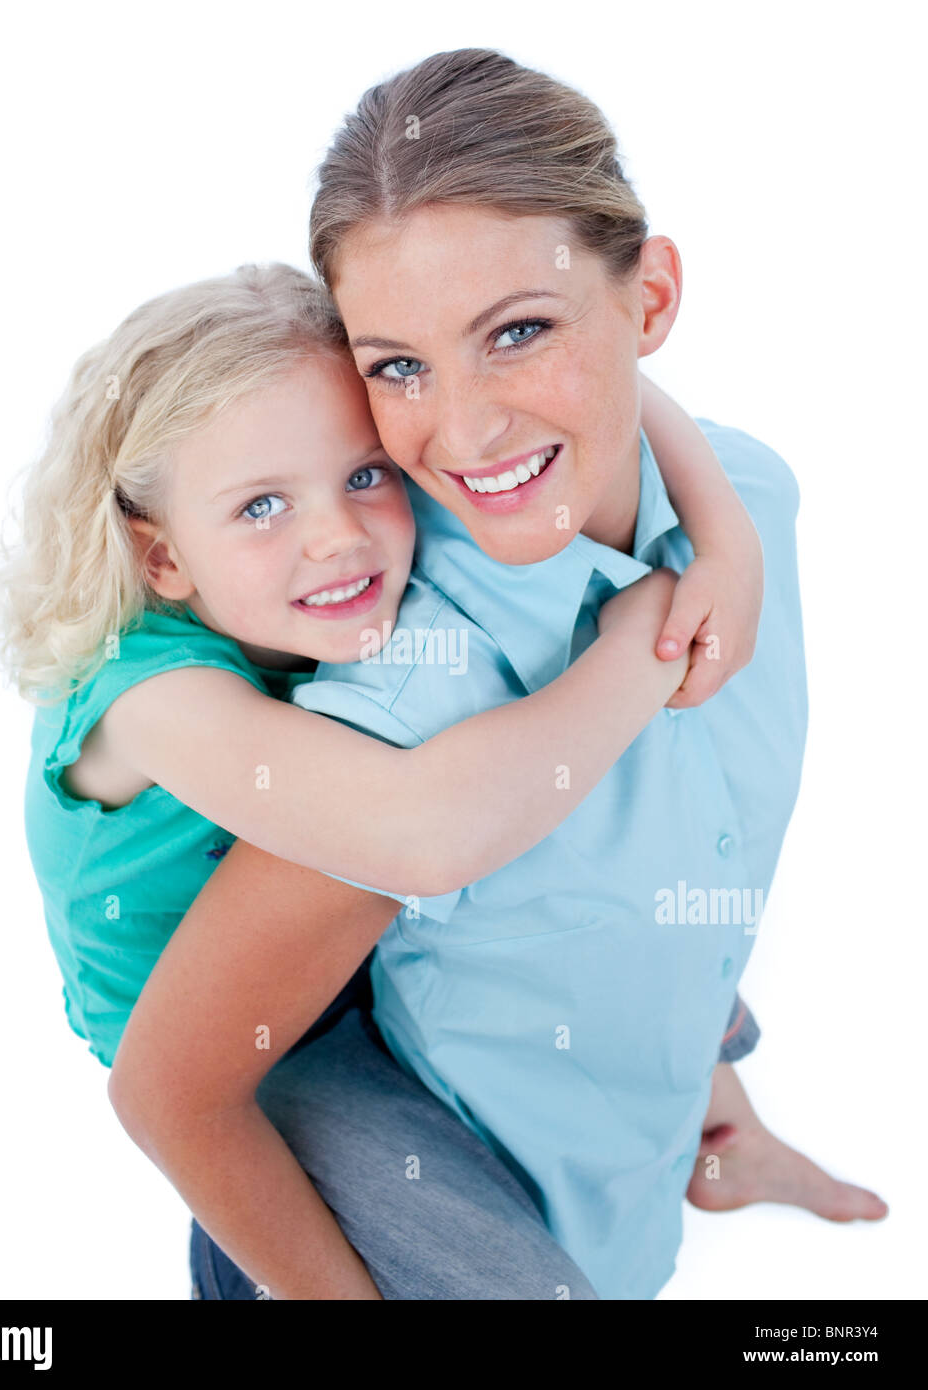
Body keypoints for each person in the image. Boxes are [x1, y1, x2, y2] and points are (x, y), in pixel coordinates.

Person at [181, 48, 887, 1300]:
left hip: (618, 1225)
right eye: (398, 365)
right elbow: (185, 1082)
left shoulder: (752, 503)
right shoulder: (402, 703)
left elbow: (672, 867)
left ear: (651, 297)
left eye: (517, 331)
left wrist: (713, 1106)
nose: (462, 433)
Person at [0, 259, 766, 1299]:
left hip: (364, 968)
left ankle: (724, 1129)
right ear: (162, 558)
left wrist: (727, 537)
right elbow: (422, 833)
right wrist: (645, 641)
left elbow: (610, 379)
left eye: (364, 475)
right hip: (273, 1057)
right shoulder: (153, 702)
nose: (337, 534)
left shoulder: (298, 590)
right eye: (261, 505)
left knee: (620, 877)